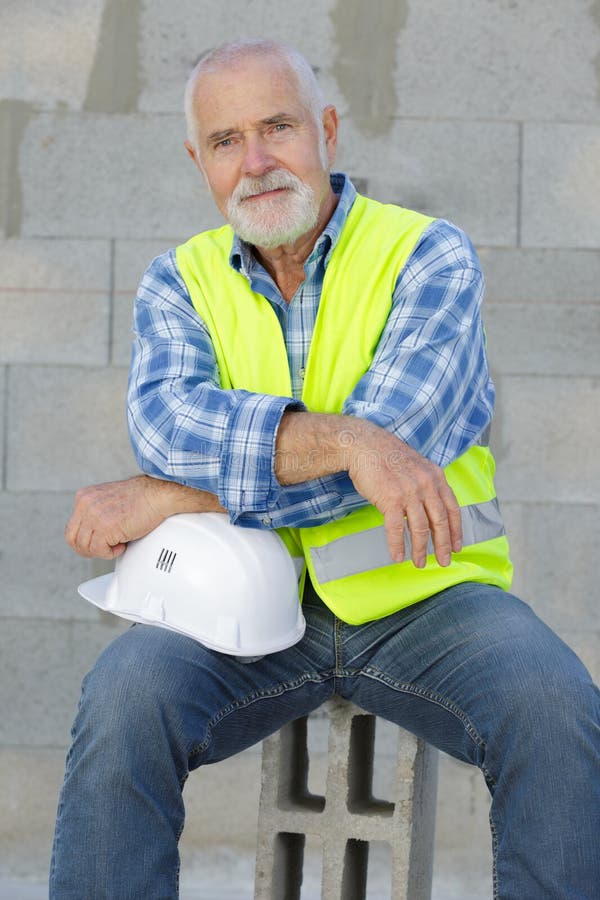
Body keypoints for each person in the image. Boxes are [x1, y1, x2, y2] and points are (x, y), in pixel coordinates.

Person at [50, 39, 599, 899]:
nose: (258, 161)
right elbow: (167, 424)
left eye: (279, 127)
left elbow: (401, 433)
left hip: (425, 594)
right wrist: (350, 444)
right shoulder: (176, 283)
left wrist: (167, 497)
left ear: (328, 129)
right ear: (200, 161)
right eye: (227, 141)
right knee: (123, 701)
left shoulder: (428, 255)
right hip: (238, 612)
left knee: (553, 705)